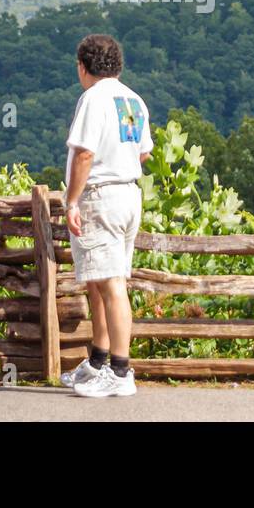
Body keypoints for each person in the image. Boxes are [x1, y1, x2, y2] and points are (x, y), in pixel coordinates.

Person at [60, 34, 152, 398]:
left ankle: (120, 369)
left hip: (101, 196)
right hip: (129, 193)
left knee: (111, 283)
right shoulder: (133, 99)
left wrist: (72, 200)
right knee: (98, 280)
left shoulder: (93, 99)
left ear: (83, 67)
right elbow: (143, 152)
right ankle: (98, 360)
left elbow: (84, 153)